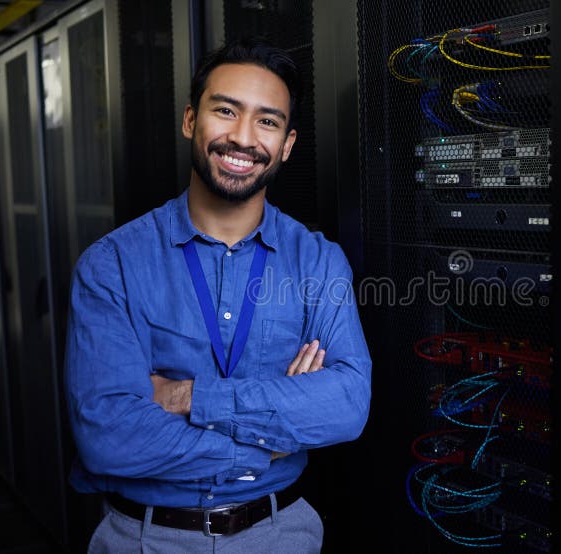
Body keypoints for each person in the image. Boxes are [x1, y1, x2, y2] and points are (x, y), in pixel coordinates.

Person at [64, 36, 371, 553]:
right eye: (226, 111)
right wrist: (269, 441)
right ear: (191, 119)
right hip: (144, 539)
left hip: (281, 536)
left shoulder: (318, 262)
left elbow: (346, 405)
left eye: (267, 121)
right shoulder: (110, 265)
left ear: (287, 145)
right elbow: (107, 438)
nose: (243, 138)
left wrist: (185, 396)